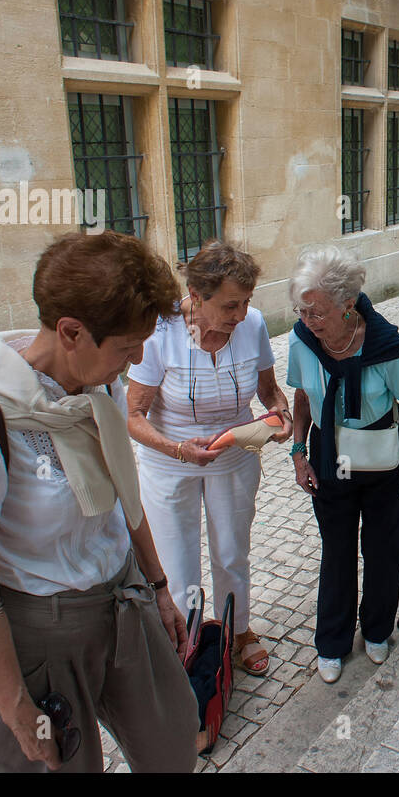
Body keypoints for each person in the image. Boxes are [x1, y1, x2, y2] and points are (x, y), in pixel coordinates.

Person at [0, 232, 199, 773]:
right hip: (36, 634)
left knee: (173, 741)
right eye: (126, 347)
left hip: (121, 598)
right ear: (71, 332)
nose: (137, 360)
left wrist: (159, 587)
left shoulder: (99, 389)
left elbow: (126, 498)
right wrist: (16, 710)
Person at [127, 242, 291, 678]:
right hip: (170, 461)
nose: (240, 314)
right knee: (178, 563)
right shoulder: (160, 332)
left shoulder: (252, 325)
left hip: (234, 455)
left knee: (232, 551)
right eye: (230, 305)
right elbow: (133, 415)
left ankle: (238, 632)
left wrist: (282, 414)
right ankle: (190, 641)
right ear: (197, 297)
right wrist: (177, 449)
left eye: (246, 302)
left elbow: (269, 390)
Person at [286, 247, 399, 684]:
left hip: (384, 463)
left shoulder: (383, 346)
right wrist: (297, 452)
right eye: (302, 310)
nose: (309, 320)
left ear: (348, 305)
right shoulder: (301, 341)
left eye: (317, 311)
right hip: (330, 460)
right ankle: (331, 641)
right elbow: (304, 397)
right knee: (338, 552)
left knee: (382, 551)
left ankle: (378, 629)